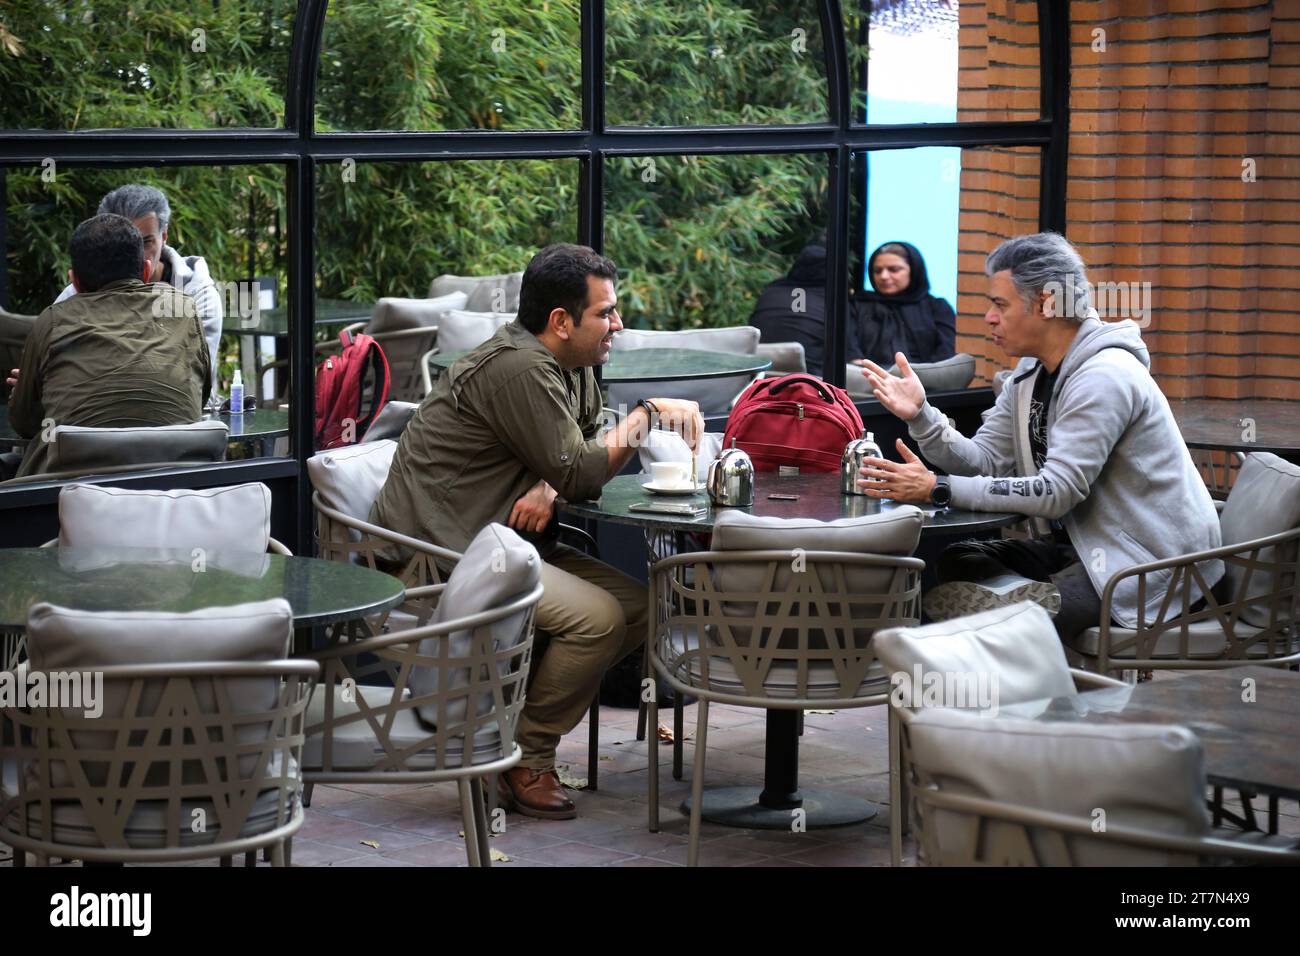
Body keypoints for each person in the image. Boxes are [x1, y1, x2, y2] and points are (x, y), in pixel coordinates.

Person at [371, 243, 703, 820]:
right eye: (606, 313)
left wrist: (550, 484)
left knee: (642, 606)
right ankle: (526, 756)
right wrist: (645, 413)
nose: (617, 325)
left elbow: (575, 462)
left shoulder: (572, 367)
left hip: (504, 541)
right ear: (560, 321)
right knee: (597, 621)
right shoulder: (519, 367)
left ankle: (508, 729)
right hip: (440, 554)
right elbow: (581, 467)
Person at [852, 232, 1222, 642]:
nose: (989, 317)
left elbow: (1056, 493)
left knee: (989, 625)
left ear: (1047, 303)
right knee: (960, 558)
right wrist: (922, 415)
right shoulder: (1032, 370)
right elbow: (986, 460)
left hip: (1148, 567)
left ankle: (1018, 619)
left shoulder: (1104, 377)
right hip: (1080, 550)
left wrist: (937, 488)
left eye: (999, 304)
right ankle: (1022, 610)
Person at [8, 214, 211, 479]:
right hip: (176, 485)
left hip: (69, 495)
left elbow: (24, 422)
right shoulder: (183, 308)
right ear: (146, 271)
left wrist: (35, 387)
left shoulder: (52, 320)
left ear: (75, 282)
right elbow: (201, 395)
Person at [54, 184, 223, 399]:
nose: (136, 254)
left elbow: (191, 377)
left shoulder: (198, 294)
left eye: (146, 242)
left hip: (179, 422)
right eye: (122, 245)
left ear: (165, 236)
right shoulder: (76, 293)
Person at [848, 241, 956, 368]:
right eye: (877, 271)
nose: (883, 276)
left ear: (914, 270)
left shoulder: (937, 308)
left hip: (926, 382)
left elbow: (946, 352)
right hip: (868, 380)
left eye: (894, 270)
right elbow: (850, 350)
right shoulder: (857, 305)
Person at [748, 239, 829, 377]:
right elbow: (850, 353)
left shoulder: (771, 290)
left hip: (759, 377)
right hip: (812, 381)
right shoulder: (832, 298)